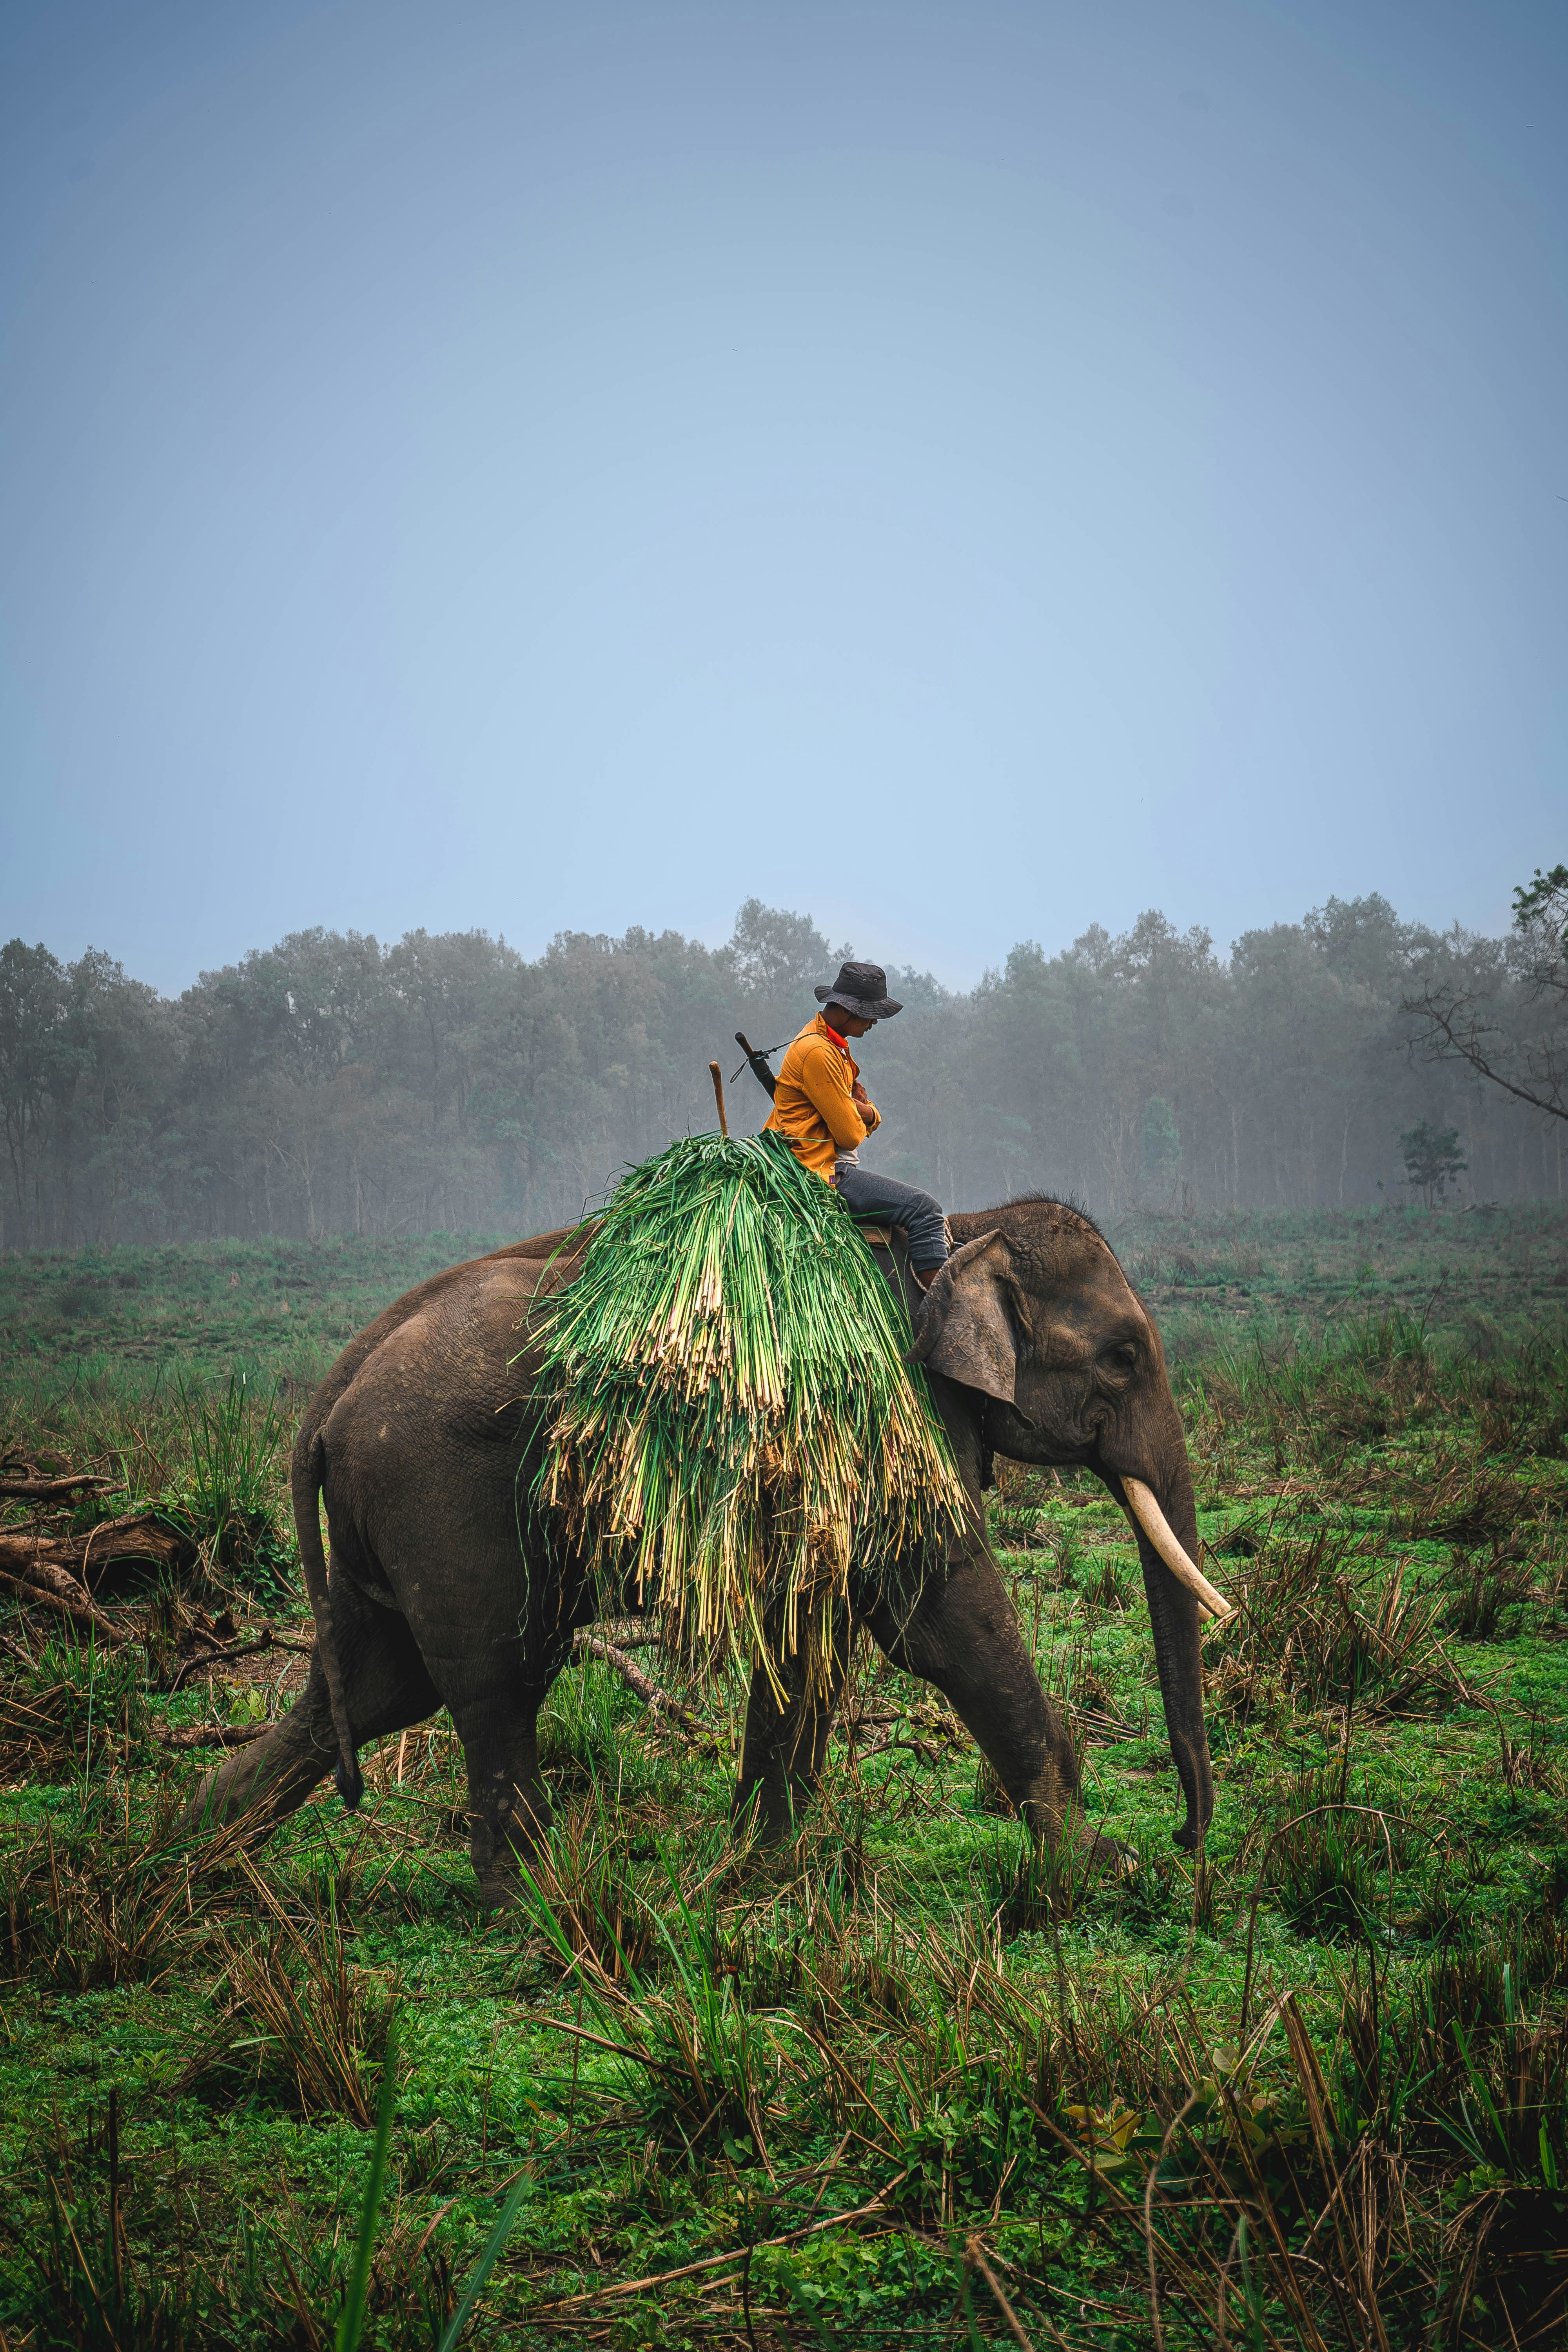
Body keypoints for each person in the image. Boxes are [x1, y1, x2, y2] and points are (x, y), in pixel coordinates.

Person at [763, 960, 949, 1290]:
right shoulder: (818, 1052)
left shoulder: (828, 1044)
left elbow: (846, 1110)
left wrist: (856, 1109)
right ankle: (942, 1310)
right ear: (849, 1010)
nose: (875, 1021)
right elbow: (850, 1136)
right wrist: (869, 1113)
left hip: (816, 1160)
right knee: (926, 1211)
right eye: (871, 1013)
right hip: (816, 1170)